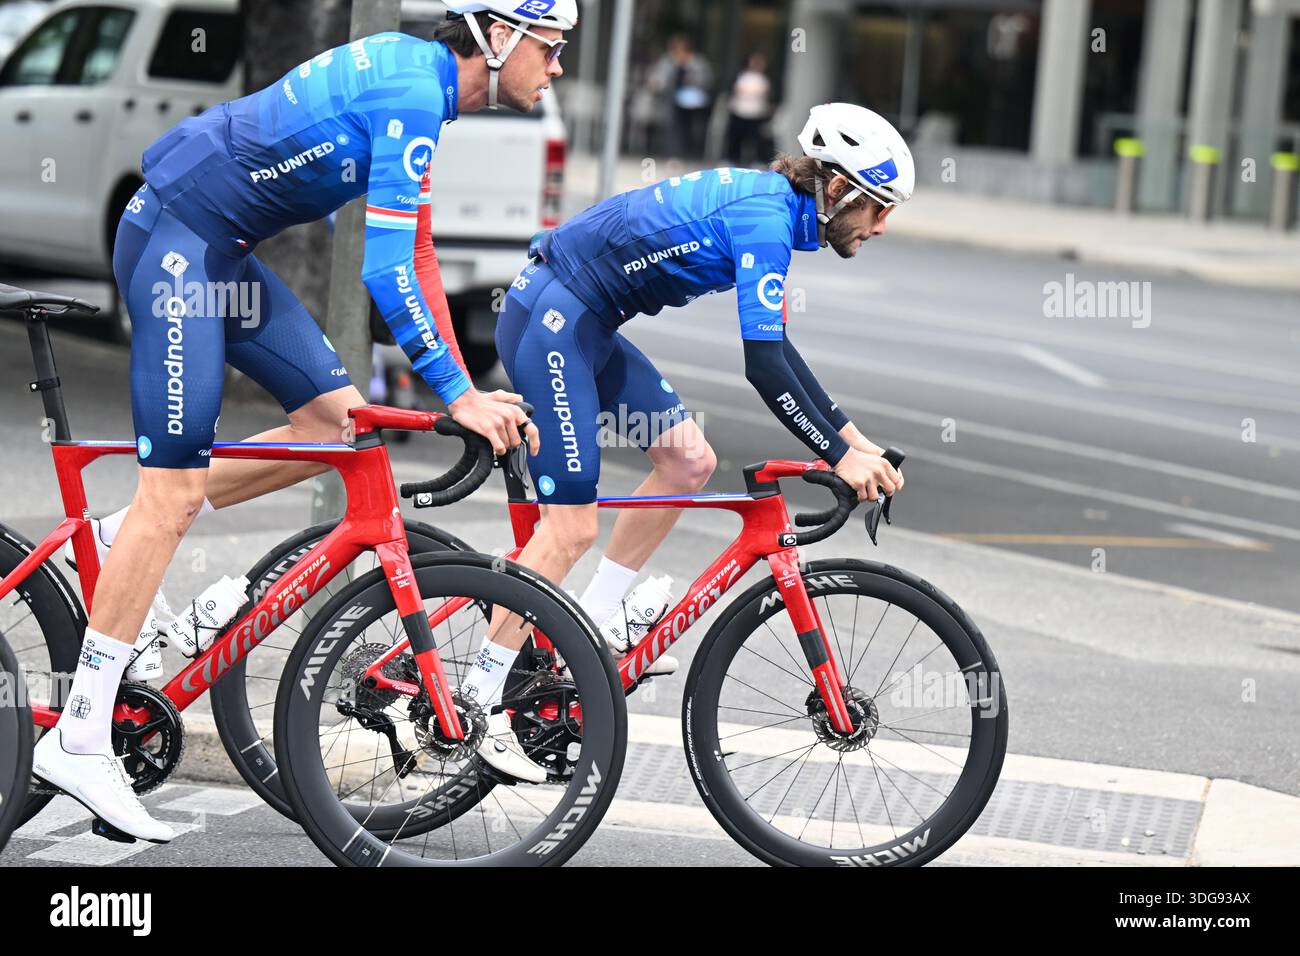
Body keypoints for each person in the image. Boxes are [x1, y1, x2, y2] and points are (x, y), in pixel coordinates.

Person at [31, 0, 578, 843]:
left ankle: (117, 538)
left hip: (225, 251)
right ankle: (78, 734)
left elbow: (419, 252)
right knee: (171, 495)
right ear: (499, 36)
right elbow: (390, 270)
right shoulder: (412, 93)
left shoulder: (420, 86)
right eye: (551, 47)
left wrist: (462, 387)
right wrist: (458, 398)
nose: (559, 67)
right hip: (177, 239)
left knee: (340, 425)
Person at [468, 103, 912, 779]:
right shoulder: (765, 220)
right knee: (569, 531)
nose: (881, 226)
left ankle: (591, 629)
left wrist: (853, 441)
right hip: (552, 316)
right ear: (836, 189)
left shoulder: (777, 213)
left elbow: (780, 351)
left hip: (586, 320)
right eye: (876, 207)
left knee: (687, 459)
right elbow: (762, 365)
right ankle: (476, 704)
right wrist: (839, 456)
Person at [725, 52, 772, 167]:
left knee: (755, 139)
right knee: (735, 138)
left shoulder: (763, 79)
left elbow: (764, 93)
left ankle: (757, 160)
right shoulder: (742, 76)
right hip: (739, 112)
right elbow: (737, 90)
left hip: (756, 114)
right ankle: (732, 159)